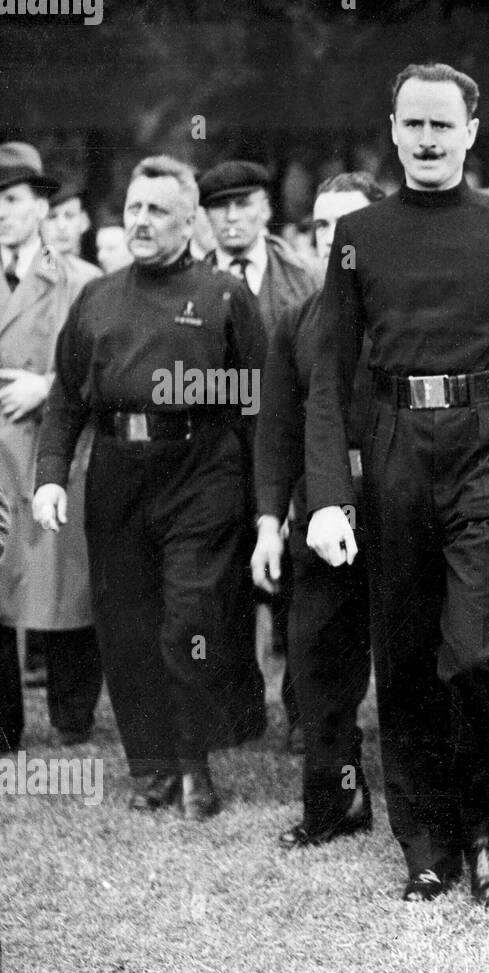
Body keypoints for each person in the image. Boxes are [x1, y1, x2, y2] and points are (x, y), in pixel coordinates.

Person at [304, 62, 489, 905]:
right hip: (393, 453)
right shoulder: (361, 235)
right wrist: (325, 497)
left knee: (475, 649)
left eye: (442, 125)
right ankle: (425, 839)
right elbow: (328, 373)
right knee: (408, 653)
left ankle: (485, 827)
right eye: (412, 124)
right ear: (393, 131)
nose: (427, 139)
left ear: (470, 129)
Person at [33, 155, 267, 820]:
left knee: (189, 620)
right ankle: (152, 768)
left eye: (156, 210)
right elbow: (65, 401)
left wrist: (268, 507)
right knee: (126, 628)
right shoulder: (97, 297)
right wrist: (51, 476)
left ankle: (194, 763)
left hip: (202, 471)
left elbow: (257, 406)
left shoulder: (224, 295)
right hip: (116, 473)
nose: (139, 221)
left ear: (190, 220)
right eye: (133, 208)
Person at [251, 172, 386, 848]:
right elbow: (276, 432)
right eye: (323, 227)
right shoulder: (297, 322)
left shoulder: (414, 318)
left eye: (351, 224)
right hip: (320, 521)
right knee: (318, 665)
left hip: (401, 513)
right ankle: (334, 802)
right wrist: (269, 525)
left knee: (416, 660)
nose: (337, 241)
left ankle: (444, 803)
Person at [199, 159, 323, 752]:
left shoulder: (304, 280)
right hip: (213, 459)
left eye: (243, 203)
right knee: (223, 587)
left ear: (266, 209)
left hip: (292, 454)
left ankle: (305, 711)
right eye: (218, 206)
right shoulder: (191, 282)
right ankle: (237, 710)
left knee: (302, 587)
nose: (231, 217)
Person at [0, 142, 104, 751]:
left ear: (41, 207)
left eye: (12, 201)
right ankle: (4, 726)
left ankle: (72, 717)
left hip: (53, 453)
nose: (2, 214)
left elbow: (103, 364)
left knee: (64, 586)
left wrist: (49, 383)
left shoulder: (82, 281)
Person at [42, 183, 93, 264]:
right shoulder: (24, 273)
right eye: (52, 217)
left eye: (69, 216)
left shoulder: (95, 274)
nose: (61, 226)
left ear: (84, 221)